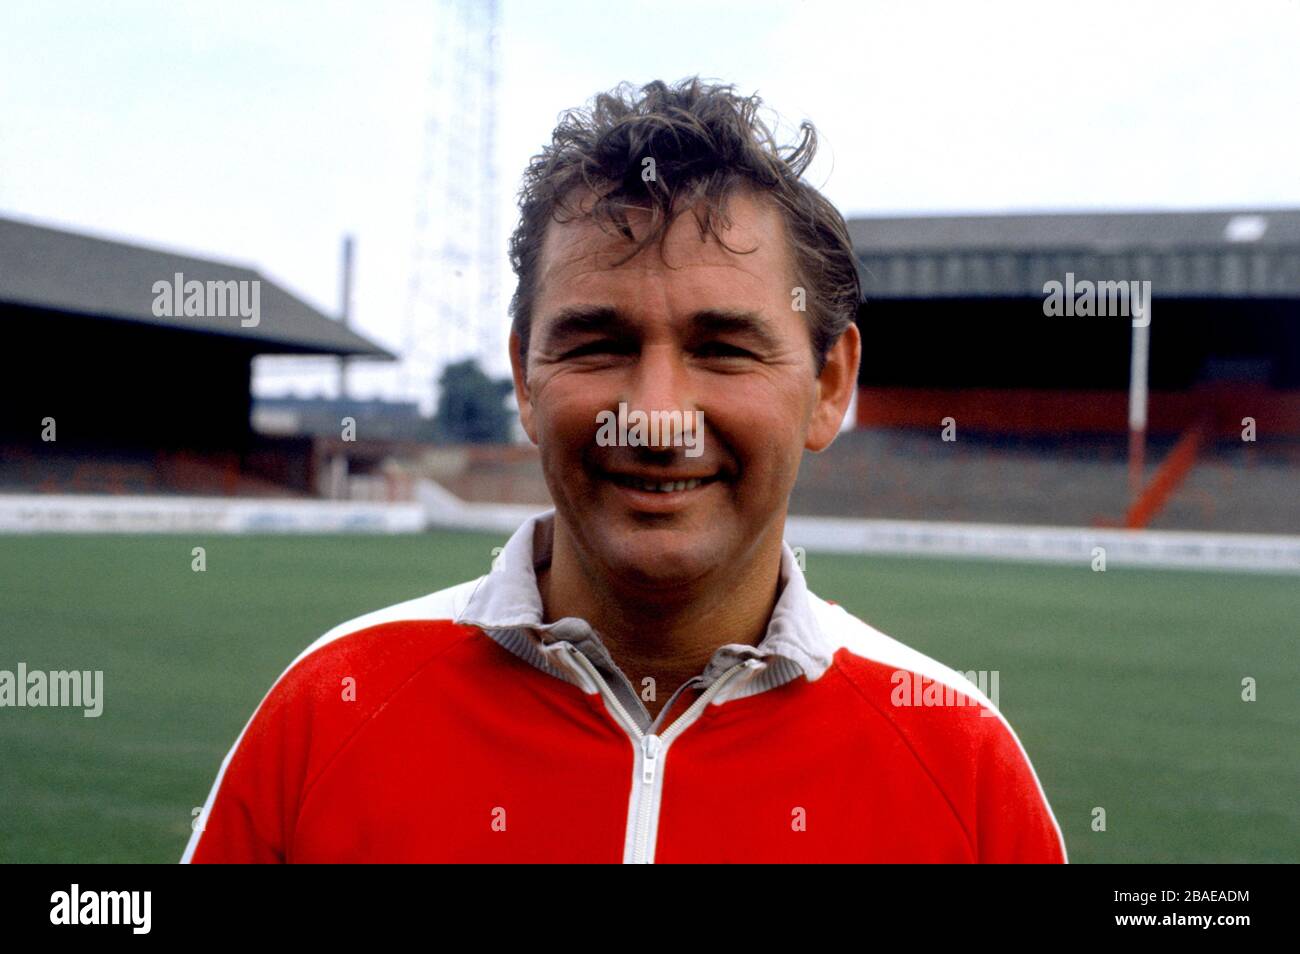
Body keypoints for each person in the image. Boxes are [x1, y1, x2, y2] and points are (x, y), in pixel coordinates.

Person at [183, 77, 1066, 863]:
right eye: (598, 344)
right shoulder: (326, 717)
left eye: (722, 348)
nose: (653, 415)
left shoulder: (963, 766)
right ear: (526, 376)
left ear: (829, 385)